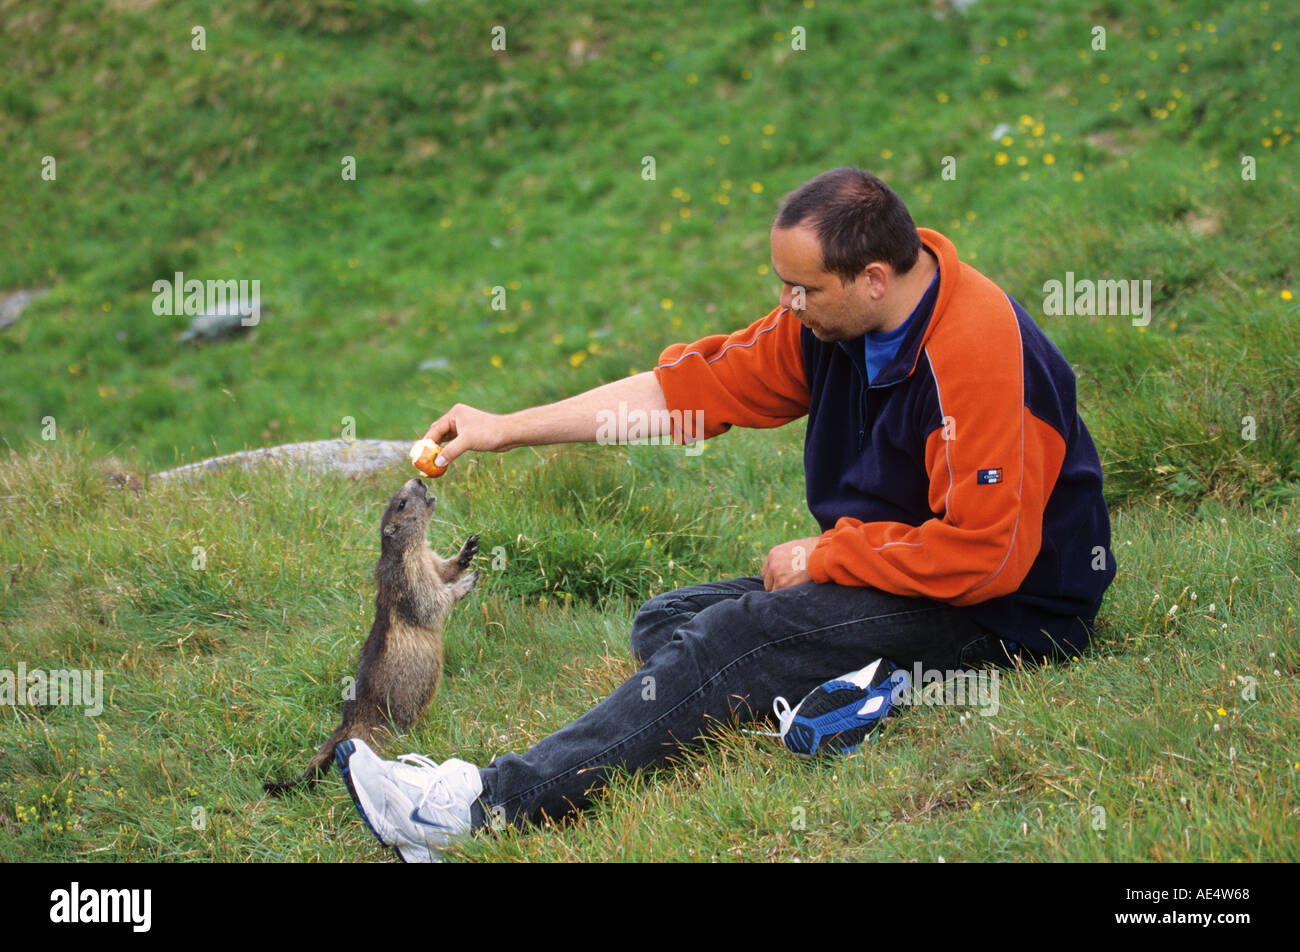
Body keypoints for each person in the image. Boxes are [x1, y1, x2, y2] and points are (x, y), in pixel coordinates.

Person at [335, 166, 1117, 862]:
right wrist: (506, 427)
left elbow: (989, 555)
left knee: (727, 641)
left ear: (873, 277)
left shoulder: (977, 353)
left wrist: (827, 560)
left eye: (803, 289)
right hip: (906, 569)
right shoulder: (836, 321)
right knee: (667, 621)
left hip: (1006, 608)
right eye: (784, 284)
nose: (788, 304)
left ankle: (479, 807)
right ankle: (834, 697)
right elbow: (689, 393)